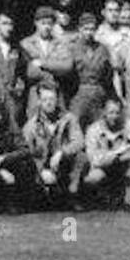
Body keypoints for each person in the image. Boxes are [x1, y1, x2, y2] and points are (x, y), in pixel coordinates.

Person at [23, 80, 89, 210]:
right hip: (42, 167)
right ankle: (44, 194)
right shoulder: (30, 126)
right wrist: (41, 170)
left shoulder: (69, 118)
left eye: (52, 99)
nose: (49, 103)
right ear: (39, 101)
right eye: (45, 99)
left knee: (82, 157)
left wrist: (61, 153)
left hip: (63, 164)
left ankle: (72, 193)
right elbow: (27, 152)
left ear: (57, 100)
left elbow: (79, 141)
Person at [49, 12, 116, 129]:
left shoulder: (102, 49)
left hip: (98, 95)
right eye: (86, 29)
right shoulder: (72, 48)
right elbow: (65, 72)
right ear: (80, 29)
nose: (89, 33)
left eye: (92, 29)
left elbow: (108, 75)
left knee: (98, 129)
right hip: (78, 94)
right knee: (75, 127)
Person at [82, 97, 130, 211]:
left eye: (117, 112)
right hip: (103, 167)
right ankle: (100, 199)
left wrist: (124, 154)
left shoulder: (128, 124)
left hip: (123, 166)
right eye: (111, 113)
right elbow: (94, 159)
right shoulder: (94, 129)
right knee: (92, 178)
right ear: (103, 113)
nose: (115, 116)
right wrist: (117, 153)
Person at [21, 5, 65, 119]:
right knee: (34, 123)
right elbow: (30, 72)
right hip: (35, 92)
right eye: (43, 23)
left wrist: (43, 64)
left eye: (50, 23)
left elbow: (65, 67)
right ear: (36, 23)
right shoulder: (26, 44)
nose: (47, 27)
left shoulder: (60, 43)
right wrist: (52, 70)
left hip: (56, 91)